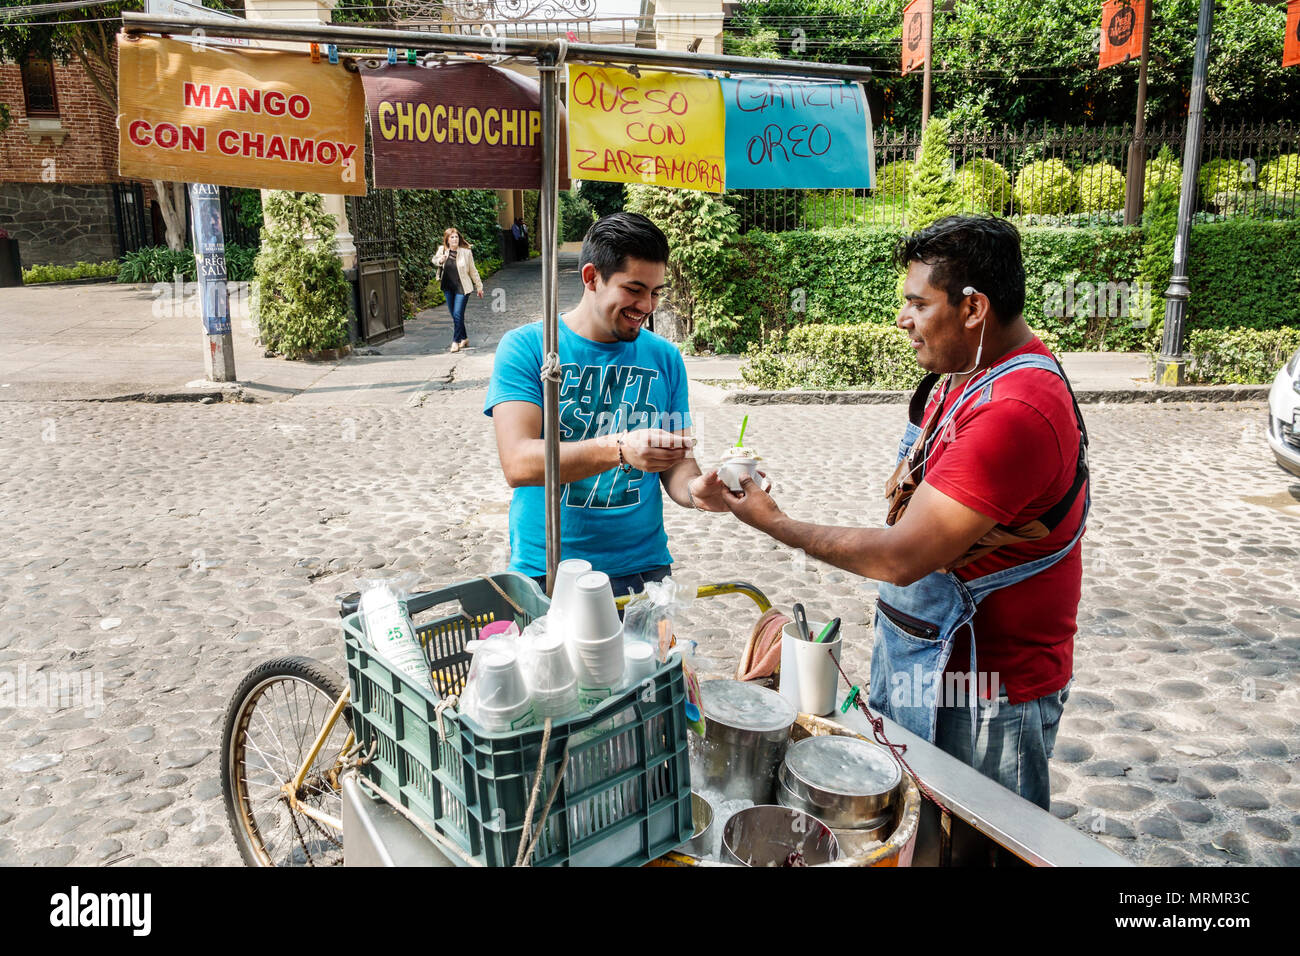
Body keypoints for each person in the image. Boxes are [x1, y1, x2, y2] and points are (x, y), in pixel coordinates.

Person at [705, 215, 1090, 811]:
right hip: (923, 659)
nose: (903, 320)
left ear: (973, 308)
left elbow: (903, 555)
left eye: (917, 303)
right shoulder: (960, 375)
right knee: (921, 833)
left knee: (975, 847)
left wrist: (775, 523)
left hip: (987, 689)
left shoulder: (1016, 409)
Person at [484, 212, 727, 597]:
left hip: (643, 568)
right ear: (591, 277)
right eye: (634, 289)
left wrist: (698, 491)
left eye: (656, 291)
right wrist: (620, 450)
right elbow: (518, 463)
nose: (647, 305)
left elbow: (678, 459)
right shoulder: (527, 348)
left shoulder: (666, 358)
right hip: (549, 568)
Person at [432, 226, 483, 353]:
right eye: (452, 237)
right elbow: (434, 260)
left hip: (462, 287)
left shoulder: (466, 252)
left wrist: (479, 286)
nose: (454, 239)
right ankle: (464, 338)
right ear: (447, 240)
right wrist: (440, 260)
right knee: (455, 316)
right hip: (448, 287)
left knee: (457, 314)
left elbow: (473, 270)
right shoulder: (442, 250)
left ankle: (456, 341)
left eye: (456, 237)